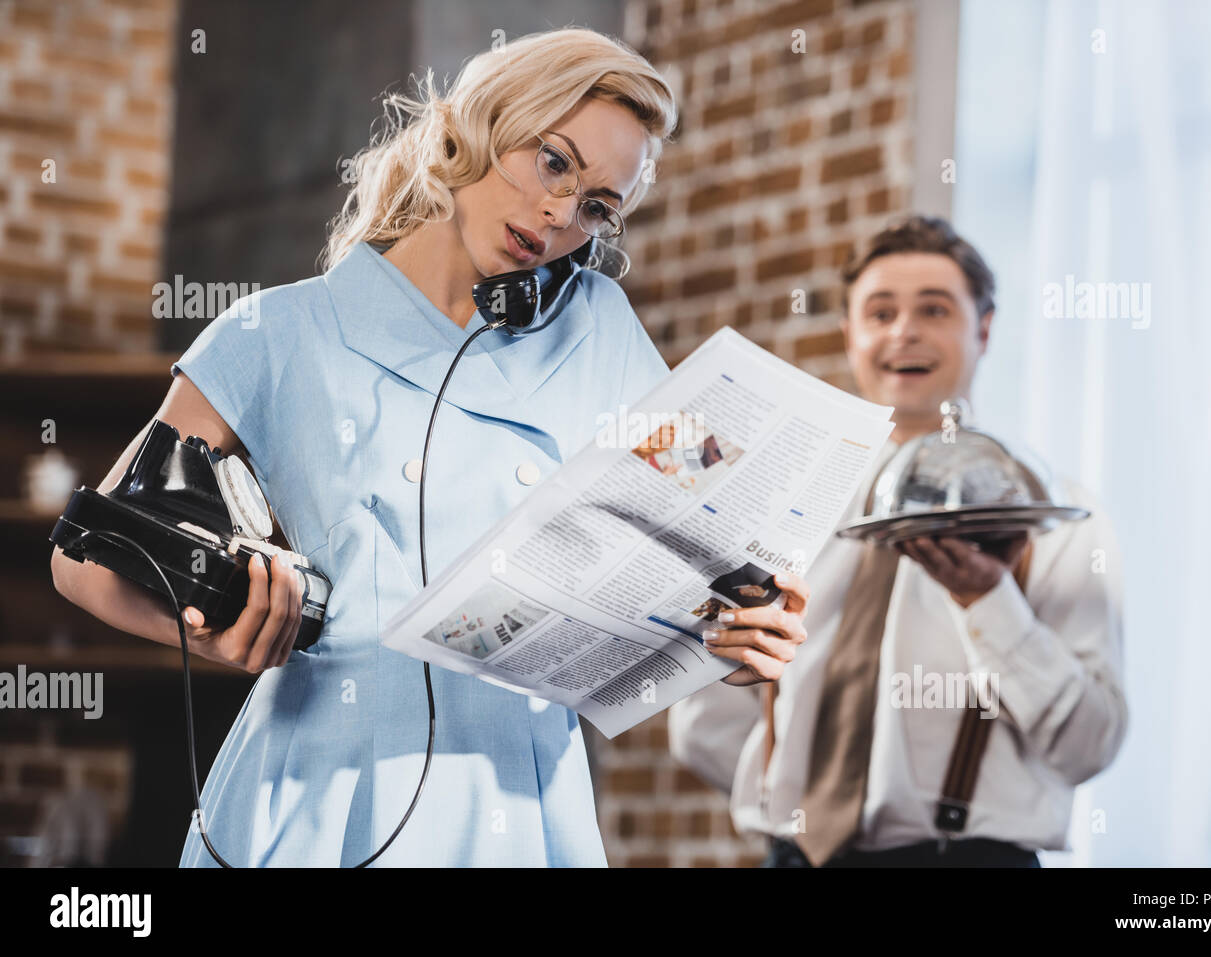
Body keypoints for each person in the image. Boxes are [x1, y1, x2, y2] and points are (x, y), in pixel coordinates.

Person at [50, 28, 811, 867]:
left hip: (521, 800)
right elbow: (83, 556)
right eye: (553, 162)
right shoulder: (277, 331)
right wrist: (206, 631)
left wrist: (737, 633)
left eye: (598, 205)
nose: (561, 215)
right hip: (317, 784)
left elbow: (696, 543)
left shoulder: (599, 330)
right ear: (474, 129)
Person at [667, 215, 1127, 867]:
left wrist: (990, 600)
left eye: (934, 310)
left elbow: (1090, 744)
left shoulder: (1056, 517)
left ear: (985, 328)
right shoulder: (779, 506)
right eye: (880, 312)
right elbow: (704, 728)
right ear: (849, 334)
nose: (904, 331)